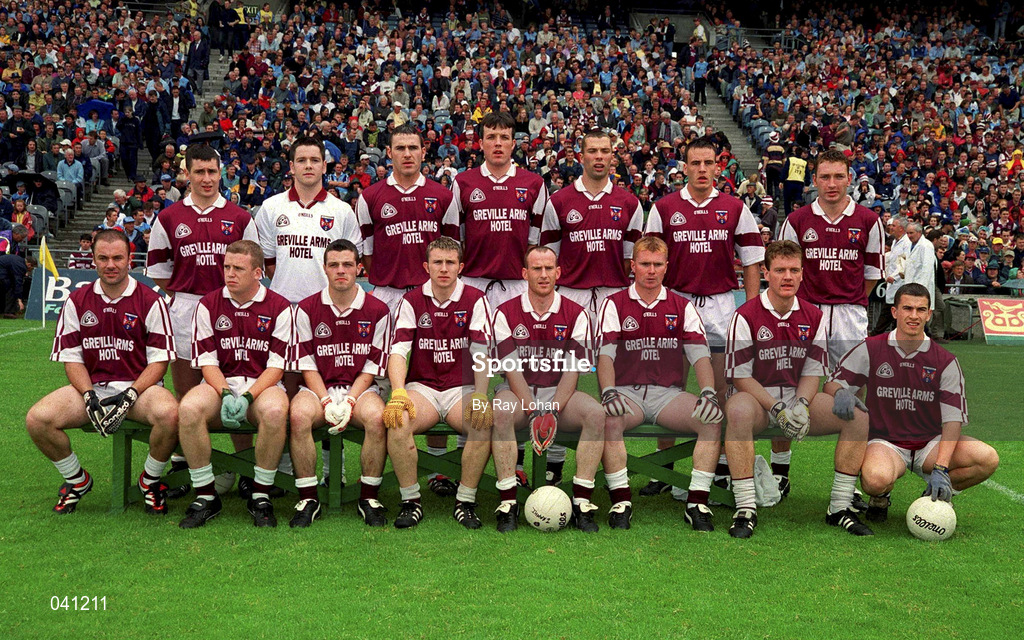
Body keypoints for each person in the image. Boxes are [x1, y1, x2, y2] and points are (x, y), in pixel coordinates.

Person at [643, 136, 764, 499]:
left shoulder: (734, 206)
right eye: (694, 163)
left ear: (717, 166)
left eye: (707, 163)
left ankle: (724, 467)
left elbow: (753, 260)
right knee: (669, 385)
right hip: (676, 301)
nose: (701, 169)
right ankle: (664, 468)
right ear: (684, 167)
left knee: (725, 387)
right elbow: (649, 259)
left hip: (721, 304)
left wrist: (752, 311)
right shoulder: (664, 207)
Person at [724, 240, 871, 537]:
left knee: (857, 416)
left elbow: (812, 370)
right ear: (766, 272)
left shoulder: (814, 316)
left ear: (803, 274)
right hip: (756, 397)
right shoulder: (745, 315)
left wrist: (802, 405)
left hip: (794, 393)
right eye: (780, 270)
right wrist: (777, 409)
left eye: (794, 270)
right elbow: (740, 377)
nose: (787, 277)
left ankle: (840, 506)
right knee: (738, 411)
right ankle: (745, 507)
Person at [25, 230, 178, 515]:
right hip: (94, 387)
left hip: (138, 389)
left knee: (171, 415)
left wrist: (132, 394)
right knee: (38, 419)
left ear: (130, 260)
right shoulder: (77, 300)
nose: (111, 264)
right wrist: (87, 395)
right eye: (103, 258)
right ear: (93, 260)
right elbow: (72, 359)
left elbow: (159, 361)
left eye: (118, 258)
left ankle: (150, 480)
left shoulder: (150, 300)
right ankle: (76, 479)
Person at [832, 283, 999, 526]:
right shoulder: (871, 347)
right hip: (886, 442)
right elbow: (834, 382)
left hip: (930, 444)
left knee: (987, 459)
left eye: (921, 310)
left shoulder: (945, 360)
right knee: (875, 480)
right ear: (894, 312)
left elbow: (952, 420)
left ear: (929, 314)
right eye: (907, 308)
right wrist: (840, 392)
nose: (914, 316)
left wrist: (941, 468)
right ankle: (880, 497)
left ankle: (932, 500)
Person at [146, 144, 258, 495]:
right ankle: (187, 465)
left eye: (212, 171)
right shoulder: (168, 217)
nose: (206, 179)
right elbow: (160, 271)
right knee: (186, 392)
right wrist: (189, 292)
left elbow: (254, 270)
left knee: (236, 386)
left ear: (220, 172)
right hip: (185, 310)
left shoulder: (240, 217)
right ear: (187, 174)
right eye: (199, 172)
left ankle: (246, 468)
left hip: (232, 309)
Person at [448, 111, 549, 487]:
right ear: (481, 142)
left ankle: (518, 458)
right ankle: (458, 459)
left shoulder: (534, 183)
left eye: (505, 137)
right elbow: (453, 237)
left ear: (514, 142)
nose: (498, 144)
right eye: (491, 137)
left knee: (516, 370)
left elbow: (538, 241)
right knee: (468, 370)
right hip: (474, 284)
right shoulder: (463, 182)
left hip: (516, 286)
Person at [597, 236, 725, 531]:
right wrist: (607, 391)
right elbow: (605, 355)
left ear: (667, 267)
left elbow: (699, 355)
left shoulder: (682, 306)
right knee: (609, 419)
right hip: (627, 393)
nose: (651, 271)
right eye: (645, 264)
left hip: (668, 395)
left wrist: (707, 392)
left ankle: (697, 503)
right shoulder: (614, 303)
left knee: (711, 420)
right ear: (633, 266)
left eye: (657, 264)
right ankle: (620, 500)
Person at [538, 128, 644, 485]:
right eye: (592, 151)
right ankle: (551, 463)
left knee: (614, 385)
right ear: (580, 156)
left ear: (613, 156)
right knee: (556, 378)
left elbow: (633, 261)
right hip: (570, 297)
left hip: (614, 297)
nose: (599, 157)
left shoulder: (629, 202)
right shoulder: (560, 201)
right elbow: (548, 257)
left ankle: (611, 464)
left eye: (605, 151)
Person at [778, 148, 884, 499]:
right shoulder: (797, 220)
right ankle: (781, 470)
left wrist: (848, 298)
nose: (832, 183)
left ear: (850, 179)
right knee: (786, 387)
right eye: (825, 176)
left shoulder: (869, 220)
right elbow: (785, 269)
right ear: (814, 180)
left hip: (850, 315)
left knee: (853, 398)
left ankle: (848, 483)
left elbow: (871, 275)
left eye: (839, 176)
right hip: (804, 314)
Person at [177, 241, 293, 529]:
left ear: (257, 273)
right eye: (226, 266)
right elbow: (207, 362)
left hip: (262, 386)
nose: (230, 273)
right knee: (189, 408)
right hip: (219, 384)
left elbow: (276, 367)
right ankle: (206, 494)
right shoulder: (207, 304)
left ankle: (261, 494)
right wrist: (227, 392)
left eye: (238, 268)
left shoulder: (280, 306)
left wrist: (248, 397)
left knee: (276, 412)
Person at [490, 246, 605, 532]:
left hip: (559, 393)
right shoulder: (505, 312)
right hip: (517, 393)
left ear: (558, 273)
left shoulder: (577, 314)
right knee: (500, 412)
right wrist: (531, 407)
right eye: (537, 269)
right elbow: (511, 370)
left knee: (595, 414)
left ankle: (582, 501)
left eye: (548, 269)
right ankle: (508, 501)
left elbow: (571, 372)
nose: (543, 275)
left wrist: (552, 408)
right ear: (525, 274)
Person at [385, 237, 493, 529]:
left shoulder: (476, 299)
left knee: (482, 422)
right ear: (426, 266)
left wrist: (481, 394)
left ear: (461, 266)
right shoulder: (410, 300)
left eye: (450, 262)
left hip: (462, 389)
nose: (444, 268)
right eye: (437, 262)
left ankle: (466, 501)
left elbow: (481, 352)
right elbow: (398, 351)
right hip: (423, 388)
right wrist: (398, 391)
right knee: (397, 420)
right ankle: (410, 500)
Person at [289, 239, 391, 527]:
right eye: (334, 265)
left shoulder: (378, 310)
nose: (341, 270)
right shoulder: (307, 309)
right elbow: (307, 364)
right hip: (317, 386)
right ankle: (308, 497)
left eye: (347, 264)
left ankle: (369, 495)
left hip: (361, 387)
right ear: (324, 269)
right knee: (298, 416)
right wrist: (324, 400)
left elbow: (371, 368)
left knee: (376, 417)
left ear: (359, 268)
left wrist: (349, 400)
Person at [356, 123, 458, 311]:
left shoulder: (444, 196)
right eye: (400, 148)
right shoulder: (369, 197)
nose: (407, 154)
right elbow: (366, 253)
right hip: (387, 293)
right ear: (389, 152)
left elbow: (453, 250)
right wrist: (388, 279)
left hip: (432, 292)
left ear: (423, 152)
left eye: (413, 148)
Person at [873, 216, 911, 335]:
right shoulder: (895, 241)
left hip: (899, 282)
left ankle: (876, 334)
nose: (891, 228)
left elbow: (904, 262)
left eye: (894, 226)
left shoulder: (906, 243)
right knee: (892, 312)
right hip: (892, 283)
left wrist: (894, 277)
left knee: (890, 312)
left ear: (901, 228)